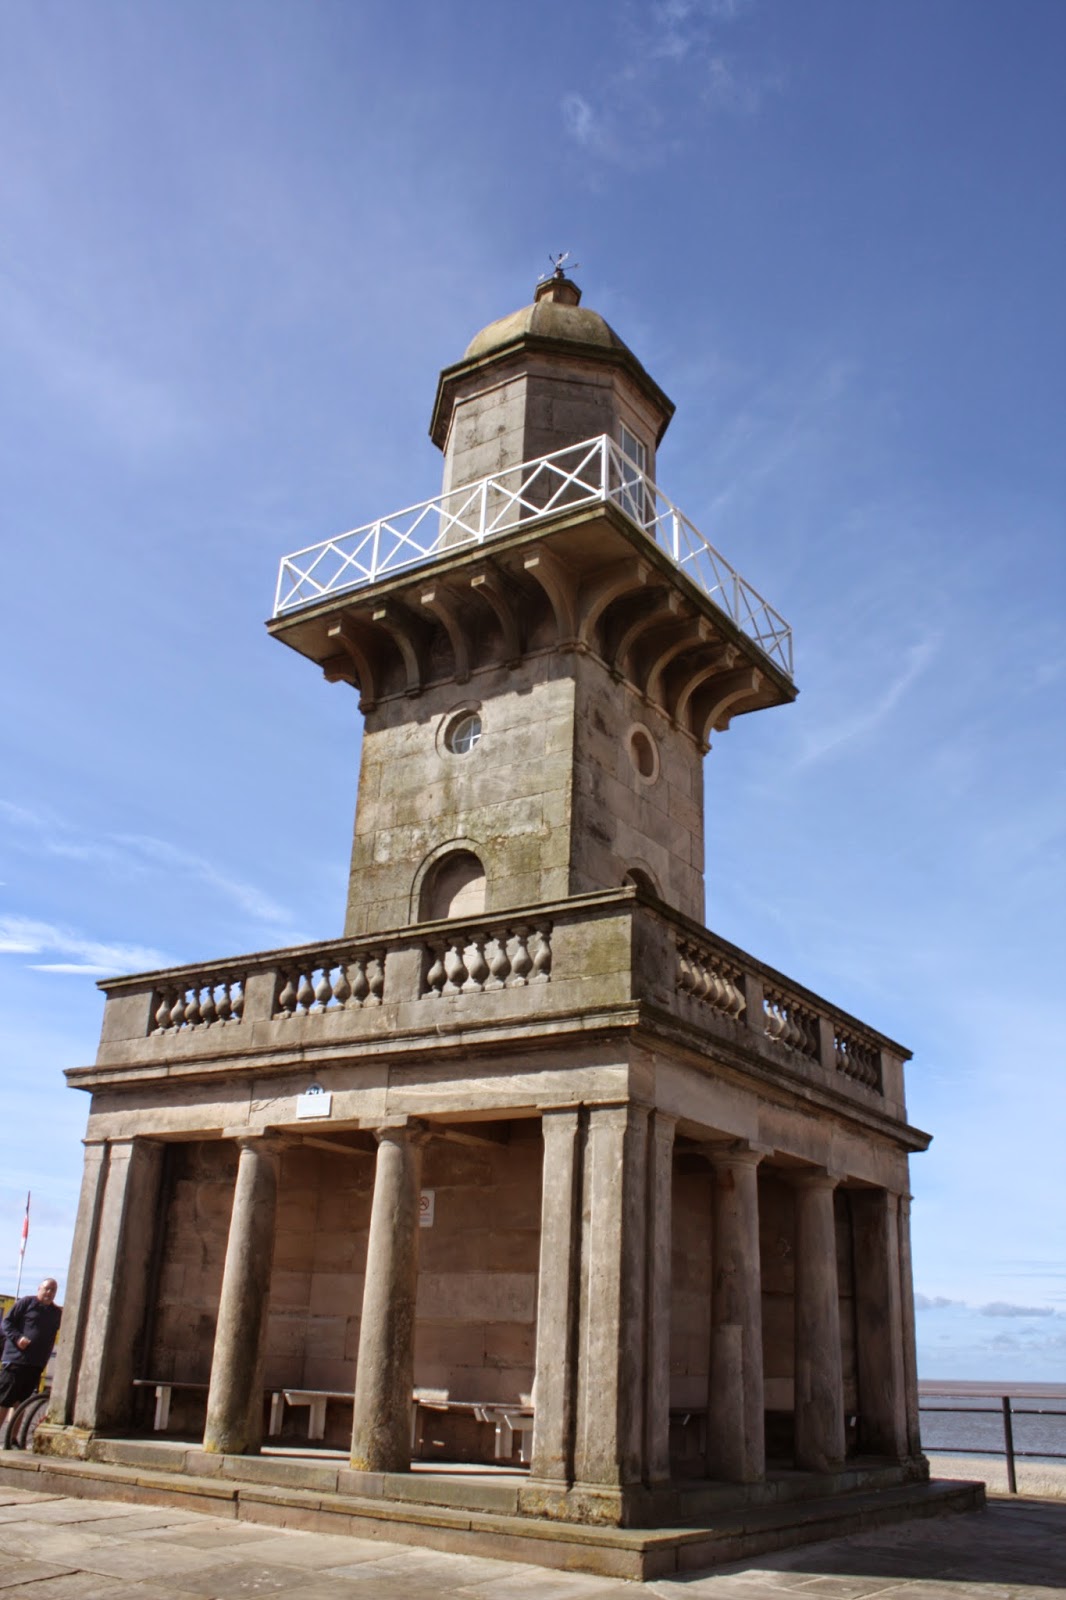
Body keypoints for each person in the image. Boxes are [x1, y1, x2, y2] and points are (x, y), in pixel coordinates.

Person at [0, 1278, 61, 1431]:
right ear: (39, 1288)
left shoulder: (55, 1313)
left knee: (22, 1403)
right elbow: (6, 1323)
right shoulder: (27, 1303)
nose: (49, 1292)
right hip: (16, 1360)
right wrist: (17, 1337)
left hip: (36, 1363)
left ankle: (12, 1439)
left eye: (53, 1290)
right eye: (47, 1288)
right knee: (4, 1400)